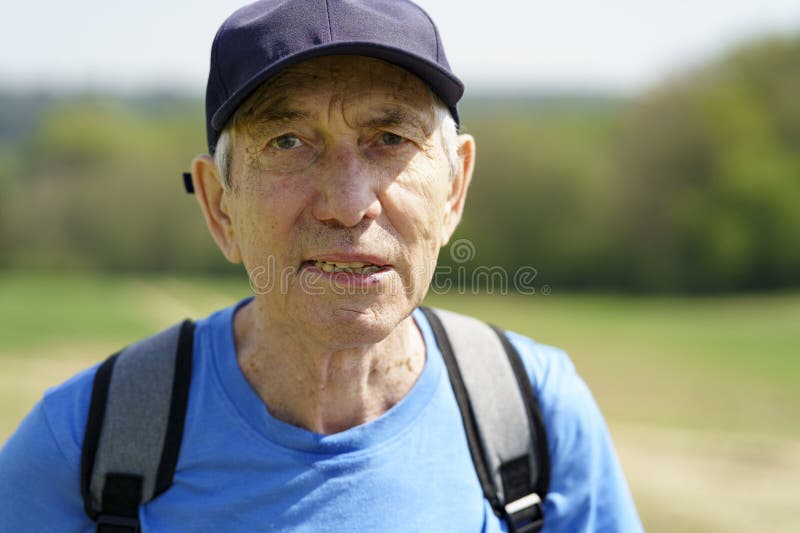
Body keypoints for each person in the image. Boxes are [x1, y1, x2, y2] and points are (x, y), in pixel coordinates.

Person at [0, 0, 642, 531]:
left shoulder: (535, 418)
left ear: (453, 190)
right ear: (221, 207)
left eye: (389, 139)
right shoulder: (84, 446)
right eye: (288, 142)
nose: (349, 203)